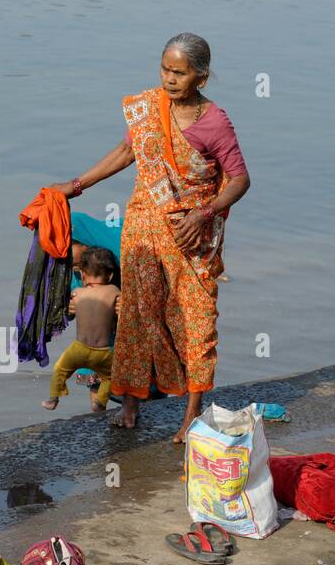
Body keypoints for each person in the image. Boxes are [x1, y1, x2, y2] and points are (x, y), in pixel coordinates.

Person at [51, 33, 250, 441]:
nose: (169, 79)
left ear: (202, 77)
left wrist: (203, 213)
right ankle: (129, 405)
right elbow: (127, 153)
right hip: (143, 225)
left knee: (195, 322)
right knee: (138, 316)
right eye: (165, 69)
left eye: (179, 72)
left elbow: (240, 179)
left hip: (190, 236)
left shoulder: (214, 122)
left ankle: (192, 414)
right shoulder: (150, 109)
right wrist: (76, 185)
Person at [44, 247, 119, 412]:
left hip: (80, 349)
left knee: (60, 369)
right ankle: (100, 402)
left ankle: (53, 398)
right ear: (111, 275)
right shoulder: (114, 291)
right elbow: (122, 311)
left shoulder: (77, 293)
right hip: (103, 351)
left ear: (83, 275)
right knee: (110, 377)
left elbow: (66, 313)